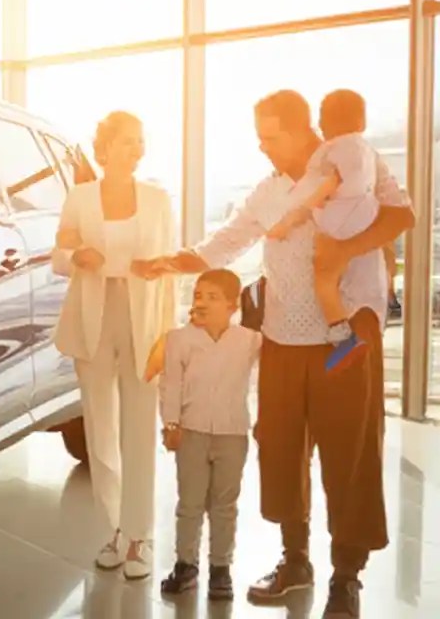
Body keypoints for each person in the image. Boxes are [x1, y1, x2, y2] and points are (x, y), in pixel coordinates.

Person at [157, 89, 414, 619]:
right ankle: (295, 562)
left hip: (343, 343)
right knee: (278, 451)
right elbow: (228, 241)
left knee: (349, 455)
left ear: (302, 132)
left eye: (270, 137)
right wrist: (174, 261)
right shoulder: (269, 189)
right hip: (280, 342)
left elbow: (402, 217)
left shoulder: (353, 158)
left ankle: (347, 577)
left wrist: (345, 249)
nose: (263, 147)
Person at [51, 110, 176, 580]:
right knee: (100, 427)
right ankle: (115, 530)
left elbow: (169, 274)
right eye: (128, 141)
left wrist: (166, 334)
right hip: (93, 318)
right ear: (104, 149)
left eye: (141, 141)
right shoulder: (80, 197)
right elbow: (59, 252)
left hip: (142, 319)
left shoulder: (158, 199)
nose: (137, 149)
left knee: (139, 426)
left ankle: (140, 536)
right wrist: (77, 255)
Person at [151, 268, 261, 602]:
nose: (203, 303)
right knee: (190, 503)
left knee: (224, 505)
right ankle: (185, 565)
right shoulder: (179, 339)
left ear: (232, 305)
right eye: (199, 296)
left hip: (233, 434)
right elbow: (170, 384)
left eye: (213, 297)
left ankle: (220, 570)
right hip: (192, 432)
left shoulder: (250, 340)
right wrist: (171, 423)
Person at [257, 89, 380, 371]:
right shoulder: (364, 148)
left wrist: (298, 214)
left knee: (323, 278)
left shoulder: (339, 150)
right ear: (361, 121)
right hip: (361, 213)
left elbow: (330, 183)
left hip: (341, 217)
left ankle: (342, 336)